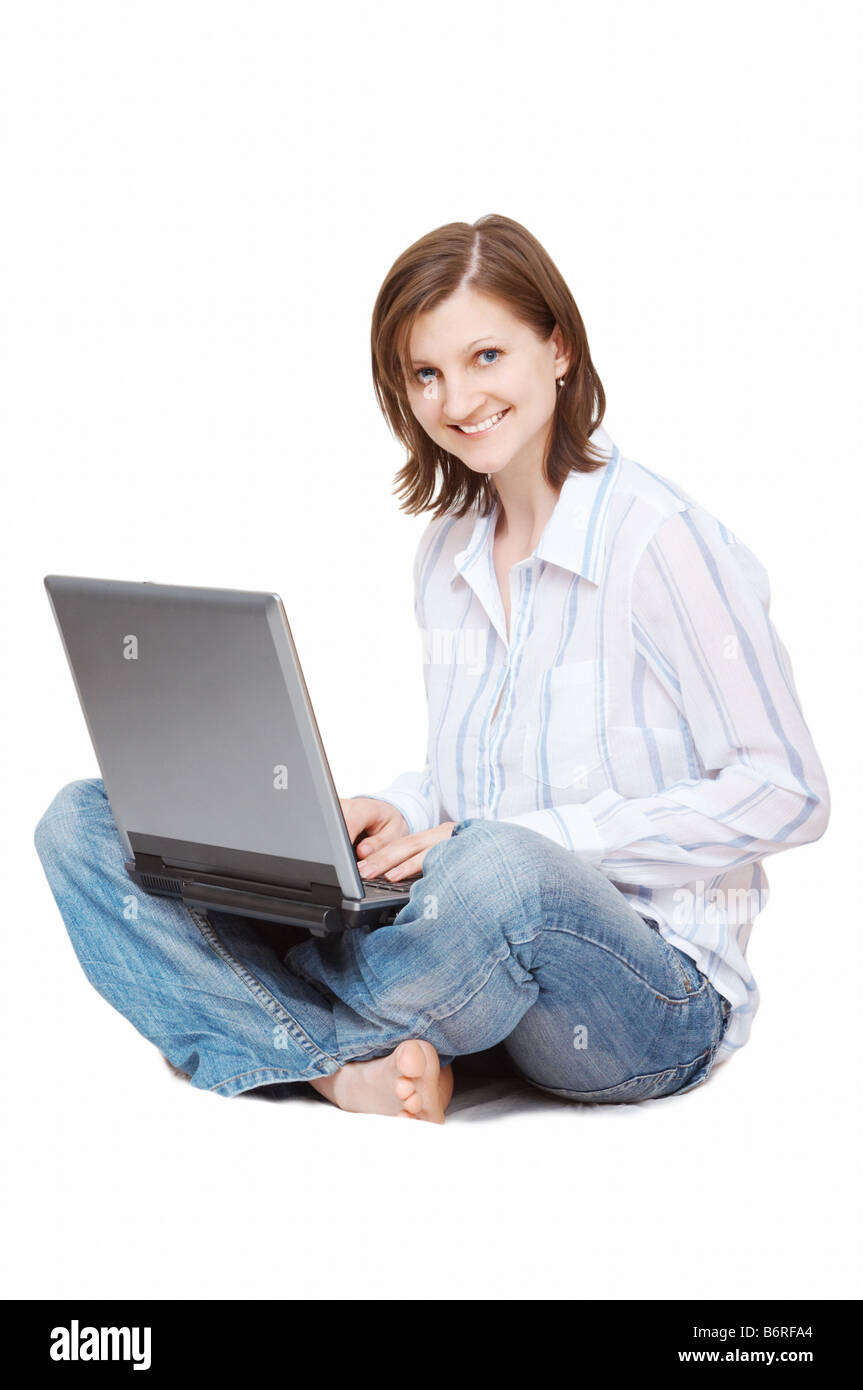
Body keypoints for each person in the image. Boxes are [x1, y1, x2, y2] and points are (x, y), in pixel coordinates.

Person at [34, 214, 830, 1123]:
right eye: (426, 372)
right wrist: (402, 811)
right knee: (85, 824)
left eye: (487, 355)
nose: (457, 399)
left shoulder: (660, 541)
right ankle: (351, 1067)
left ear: (558, 349)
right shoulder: (448, 550)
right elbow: (475, 779)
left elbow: (789, 793)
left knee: (498, 867)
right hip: (463, 948)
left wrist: (532, 840)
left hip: (645, 1000)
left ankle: (267, 992)